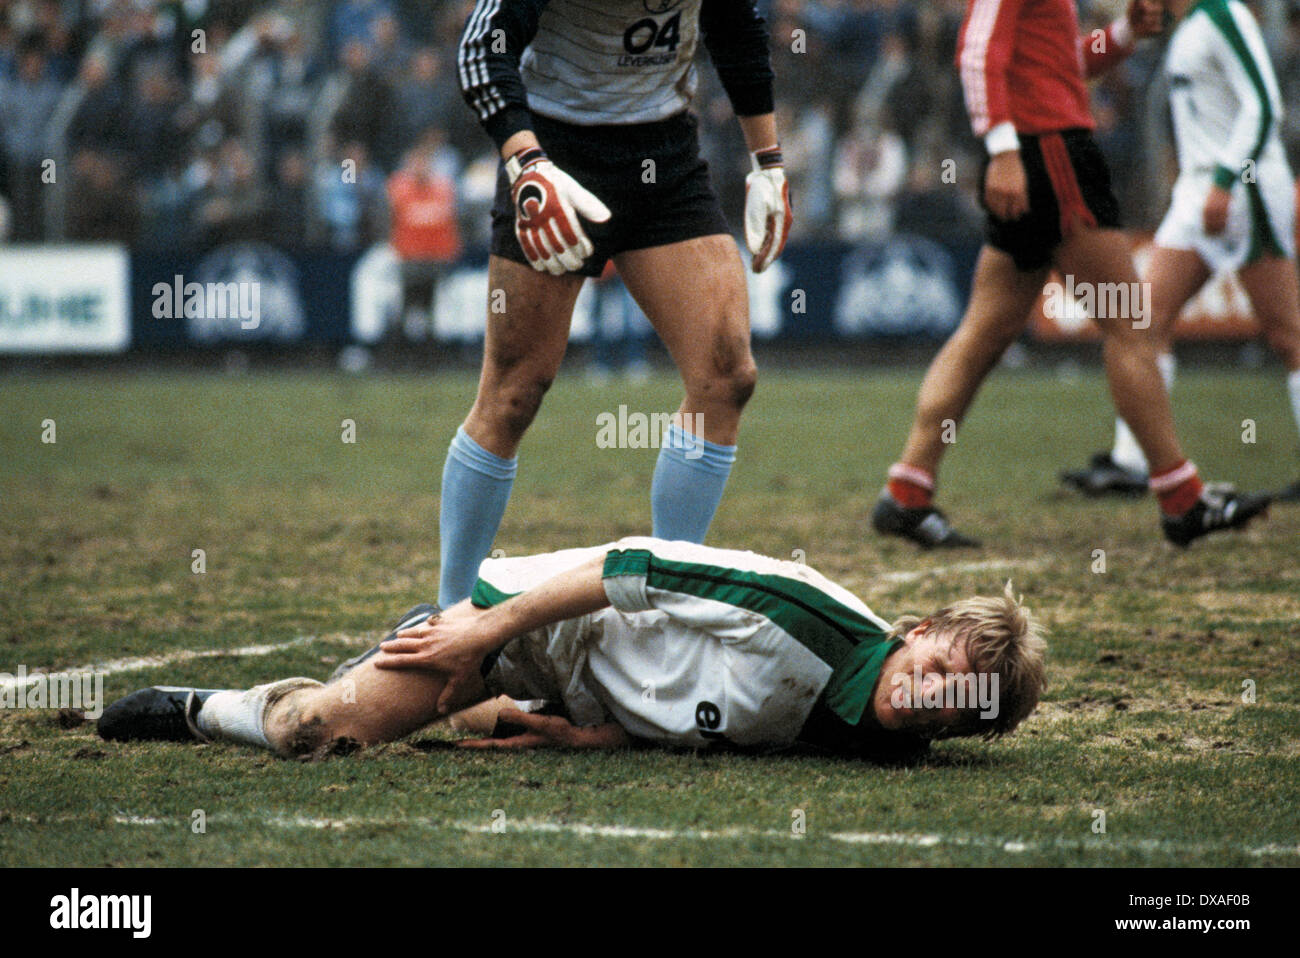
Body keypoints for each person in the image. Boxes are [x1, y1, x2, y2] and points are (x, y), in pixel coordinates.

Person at [870, 0, 1271, 549]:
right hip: (1051, 154)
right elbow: (977, 54)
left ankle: (907, 492)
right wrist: (1003, 149)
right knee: (1131, 324)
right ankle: (1183, 500)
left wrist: (1125, 34)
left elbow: (1064, 65)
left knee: (984, 332)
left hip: (1035, 152)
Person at [436, 0, 792, 608]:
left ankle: (664, 610)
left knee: (726, 375)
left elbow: (736, 28)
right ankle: (449, 611)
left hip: (665, 153)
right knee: (513, 392)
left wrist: (769, 163)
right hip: (555, 153)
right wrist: (526, 163)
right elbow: (481, 48)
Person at [97, 538, 1046, 761]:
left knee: (354, 736)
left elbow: (722, 720)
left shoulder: (882, 736)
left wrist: (594, 738)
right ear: (916, 632)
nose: (928, 699)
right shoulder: (801, 611)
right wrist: (483, 627)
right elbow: (628, 560)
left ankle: (486, 705)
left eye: (953, 710)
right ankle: (192, 708)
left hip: (587, 698)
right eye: (936, 673)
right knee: (314, 732)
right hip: (542, 621)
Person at [1061, 0, 1300, 503]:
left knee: (1286, 333)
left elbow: (1264, 104)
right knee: (1143, 321)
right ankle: (1133, 463)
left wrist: (1224, 180)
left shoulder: (1222, 14)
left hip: (1242, 188)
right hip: (1197, 195)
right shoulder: (1186, 27)